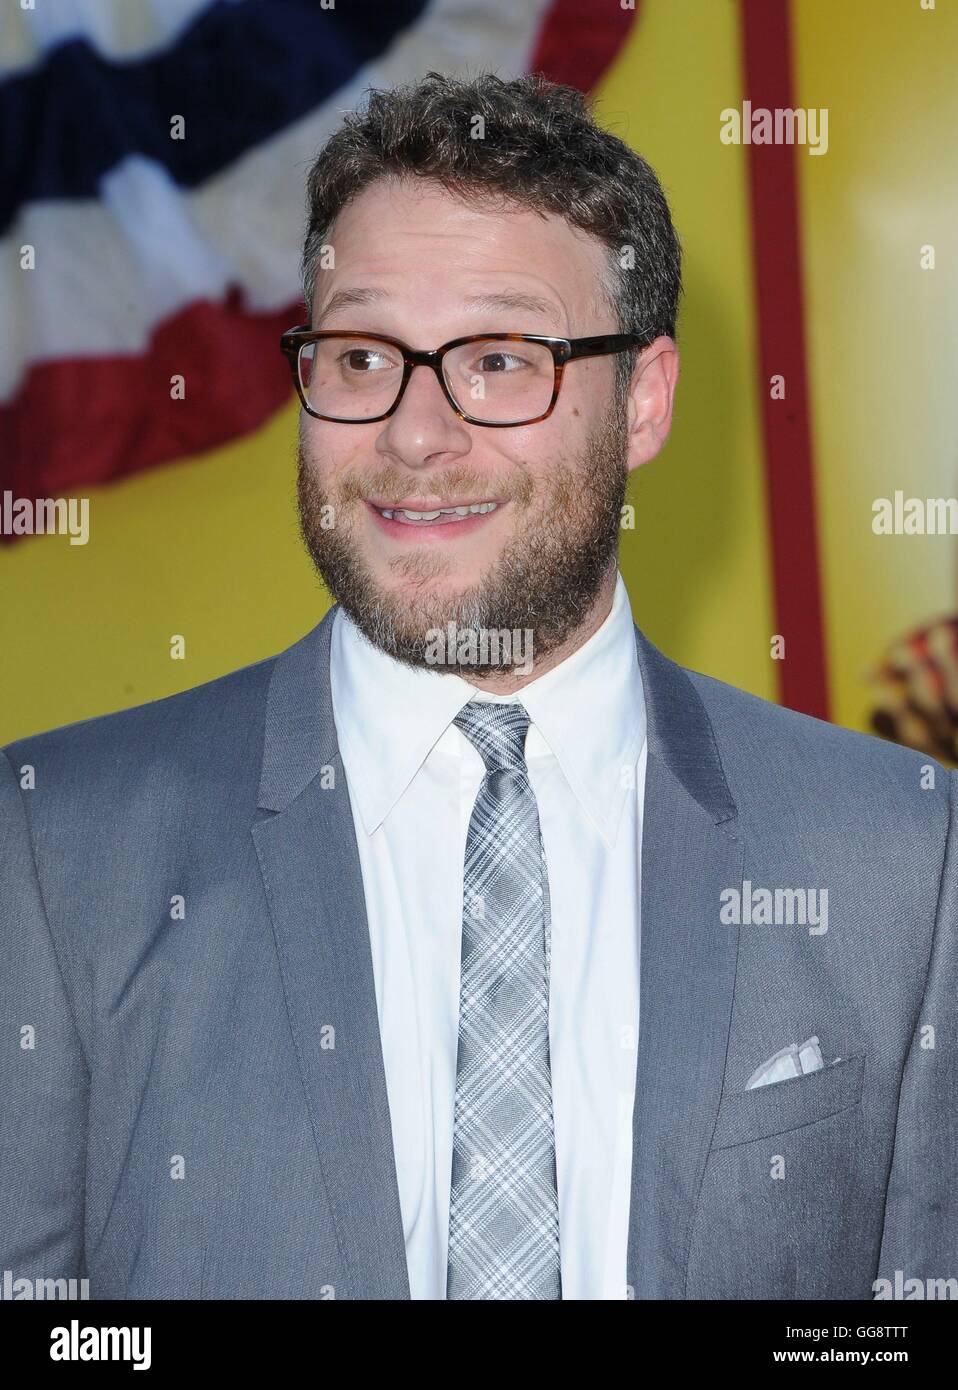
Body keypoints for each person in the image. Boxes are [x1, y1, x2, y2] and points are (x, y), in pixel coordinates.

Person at [1, 71, 955, 1302]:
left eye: (499, 360)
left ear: (646, 399)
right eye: (360, 355)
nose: (413, 435)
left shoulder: (900, 855)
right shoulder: (51, 845)